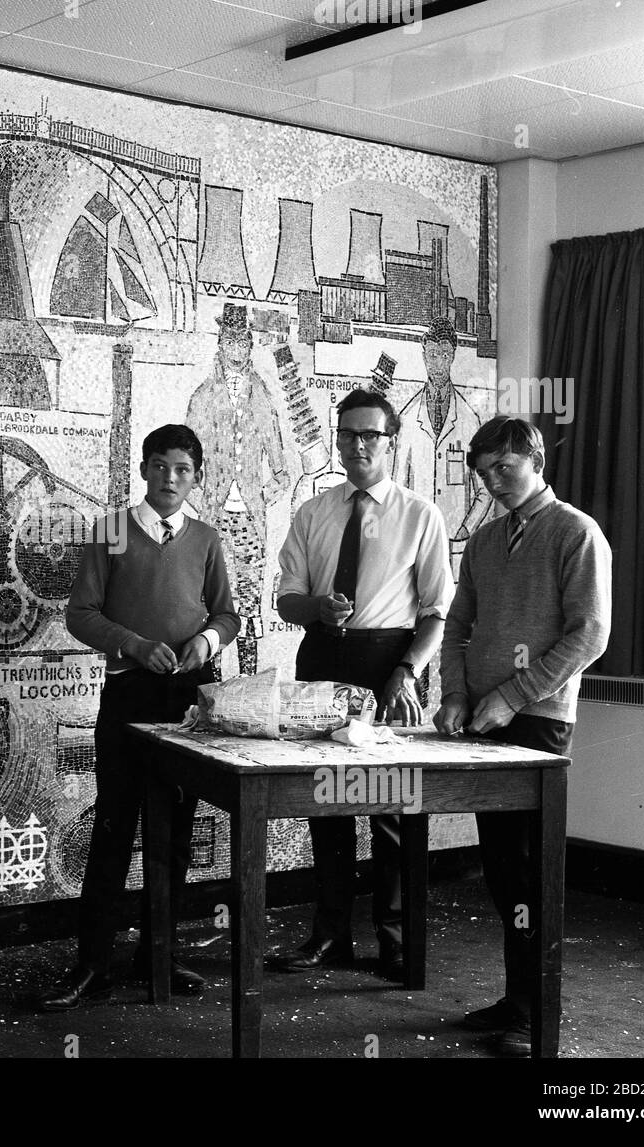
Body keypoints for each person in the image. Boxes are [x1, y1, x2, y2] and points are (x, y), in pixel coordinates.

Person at [37, 424, 239, 1011]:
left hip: (189, 700)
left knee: (175, 834)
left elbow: (226, 614)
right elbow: (81, 614)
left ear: (196, 475)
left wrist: (206, 641)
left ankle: (159, 958)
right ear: (143, 469)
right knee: (113, 829)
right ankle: (92, 966)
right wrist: (132, 644)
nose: (169, 479)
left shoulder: (205, 538)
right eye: (158, 466)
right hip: (130, 697)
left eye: (181, 469)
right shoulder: (113, 533)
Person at [435, 416, 611, 1055]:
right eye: (483, 474)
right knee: (504, 871)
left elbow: (589, 634)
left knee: (532, 874)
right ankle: (517, 1000)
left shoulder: (576, 533)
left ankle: (536, 1019)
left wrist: (510, 696)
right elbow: (456, 625)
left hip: (536, 722)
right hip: (485, 720)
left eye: (503, 469)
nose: (492, 482)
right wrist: (456, 693)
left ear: (535, 460)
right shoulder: (483, 542)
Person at [271, 388, 453, 980]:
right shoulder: (313, 512)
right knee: (327, 804)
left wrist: (408, 672)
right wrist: (317, 608)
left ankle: (396, 939)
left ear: (389, 442)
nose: (356, 445)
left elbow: (435, 612)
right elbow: (286, 600)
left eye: (368, 435)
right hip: (324, 656)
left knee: (393, 808)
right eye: (347, 433)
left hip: (389, 665)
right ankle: (330, 936)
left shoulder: (420, 515)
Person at [185, 303, 292, 677]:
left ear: (249, 345)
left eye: (242, 341)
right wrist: (204, 502)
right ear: (220, 344)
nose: (236, 348)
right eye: (229, 340)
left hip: (249, 523)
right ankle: (211, 687)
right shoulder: (202, 398)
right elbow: (187, 470)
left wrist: (257, 500)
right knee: (211, 602)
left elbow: (282, 472)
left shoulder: (263, 398)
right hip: (213, 521)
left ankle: (248, 683)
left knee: (248, 604)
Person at [391, 317, 493, 579]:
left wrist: (466, 530)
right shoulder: (407, 418)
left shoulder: (469, 420)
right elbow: (398, 488)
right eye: (433, 355)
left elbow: (485, 490)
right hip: (416, 543)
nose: (438, 363)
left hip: (456, 546)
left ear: (453, 357)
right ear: (424, 355)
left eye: (444, 355)